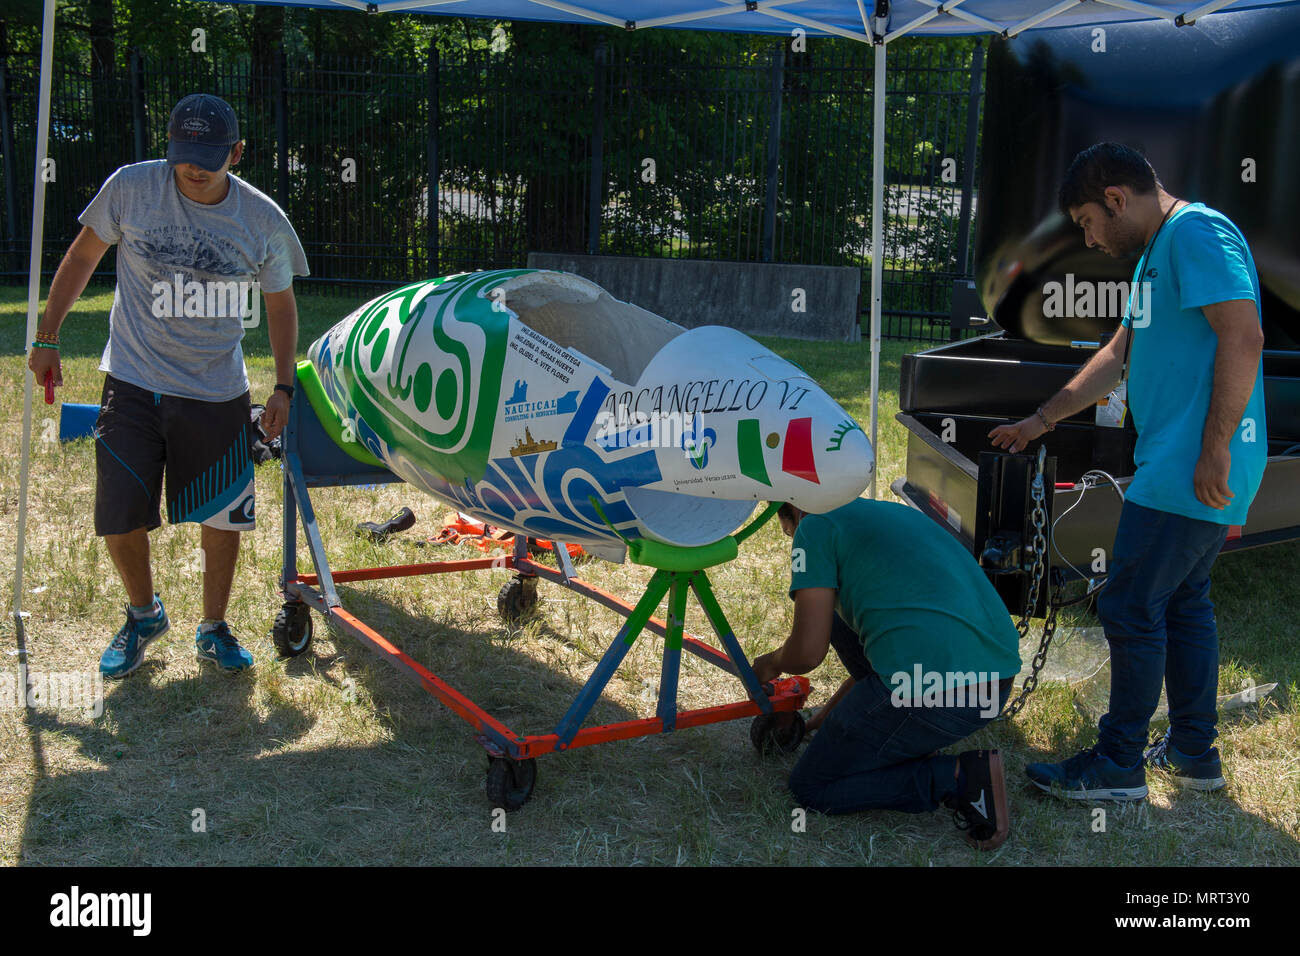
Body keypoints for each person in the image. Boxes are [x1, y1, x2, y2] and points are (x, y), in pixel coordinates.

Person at [990, 143, 1267, 798]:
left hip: (1189, 461)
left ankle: (1118, 766)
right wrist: (1041, 420)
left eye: (1088, 221)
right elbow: (1117, 358)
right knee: (1183, 604)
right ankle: (1196, 755)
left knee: (1130, 605)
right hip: (1181, 459)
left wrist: (1215, 447)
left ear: (1116, 199)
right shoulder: (1155, 256)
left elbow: (1244, 334)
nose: (1090, 237)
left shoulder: (1197, 231)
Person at [26, 93, 309, 678]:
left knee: (222, 519)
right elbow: (82, 257)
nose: (194, 167)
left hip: (215, 391)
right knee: (119, 512)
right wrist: (48, 335)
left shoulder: (261, 219)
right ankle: (142, 614)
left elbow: (280, 306)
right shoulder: (130, 188)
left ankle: (213, 627)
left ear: (237, 152)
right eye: (184, 153)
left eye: (209, 155)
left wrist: (283, 387)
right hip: (132, 379)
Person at [752, 499, 1022, 850]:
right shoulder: (891, 512)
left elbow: (807, 652)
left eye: (789, 533)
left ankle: (957, 777)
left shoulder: (813, 525)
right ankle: (904, 738)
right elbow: (876, 660)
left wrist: (771, 663)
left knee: (812, 787)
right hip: (992, 685)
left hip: (934, 690)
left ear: (793, 512)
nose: (793, 538)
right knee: (835, 620)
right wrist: (819, 722)